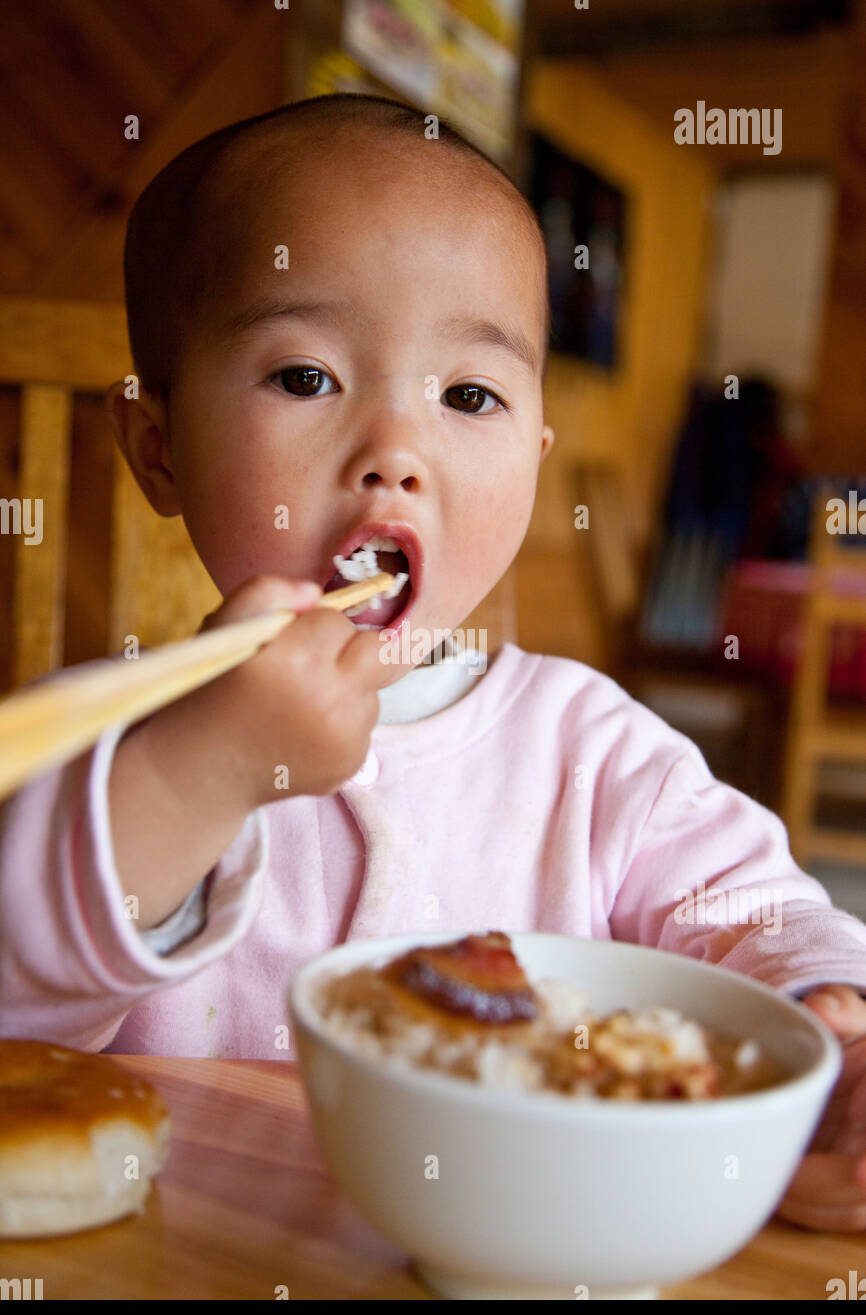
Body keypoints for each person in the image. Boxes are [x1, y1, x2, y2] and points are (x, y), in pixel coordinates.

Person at [1, 94, 865, 1233]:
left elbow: (753, 908)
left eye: (467, 395)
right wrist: (200, 771)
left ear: (533, 457)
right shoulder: (103, 744)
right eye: (305, 377)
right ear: (159, 449)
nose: (395, 454)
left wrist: (827, 1013)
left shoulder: (586, 749)